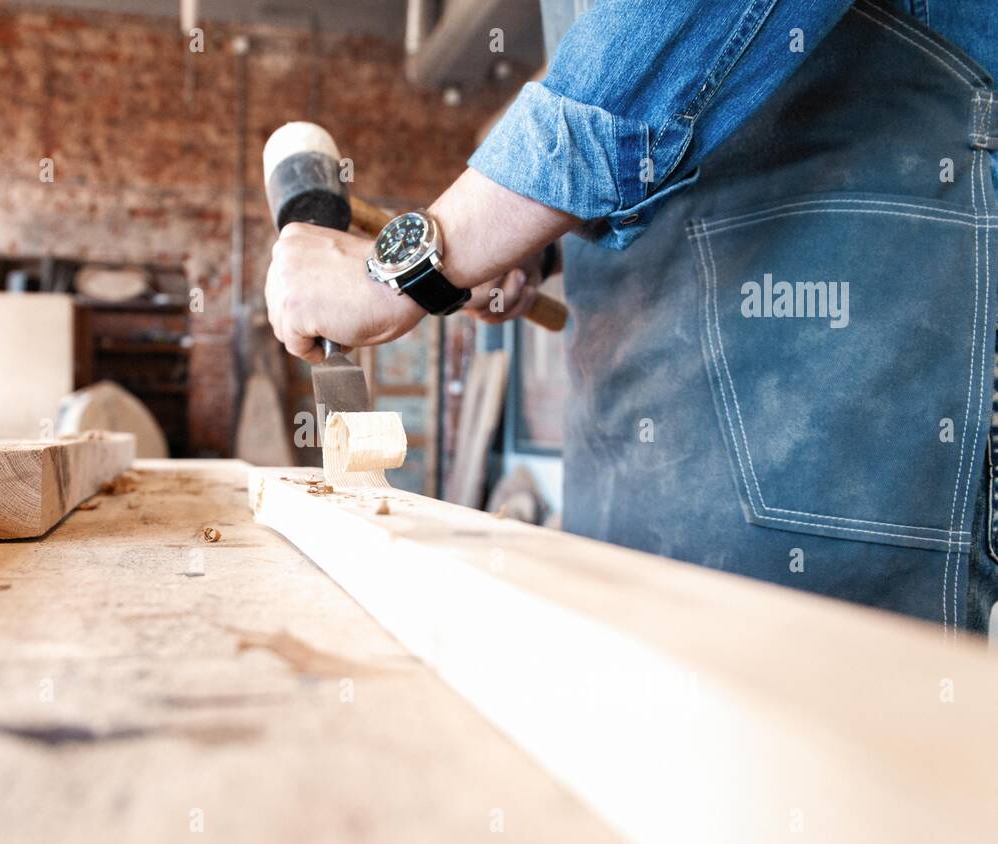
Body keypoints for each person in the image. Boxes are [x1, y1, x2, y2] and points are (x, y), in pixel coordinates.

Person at [264, 0, 998, 636]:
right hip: (626, 430)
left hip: (824, 395)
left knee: (807, 759)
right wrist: (533, 244)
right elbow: (628, 94)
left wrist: (414, 266)